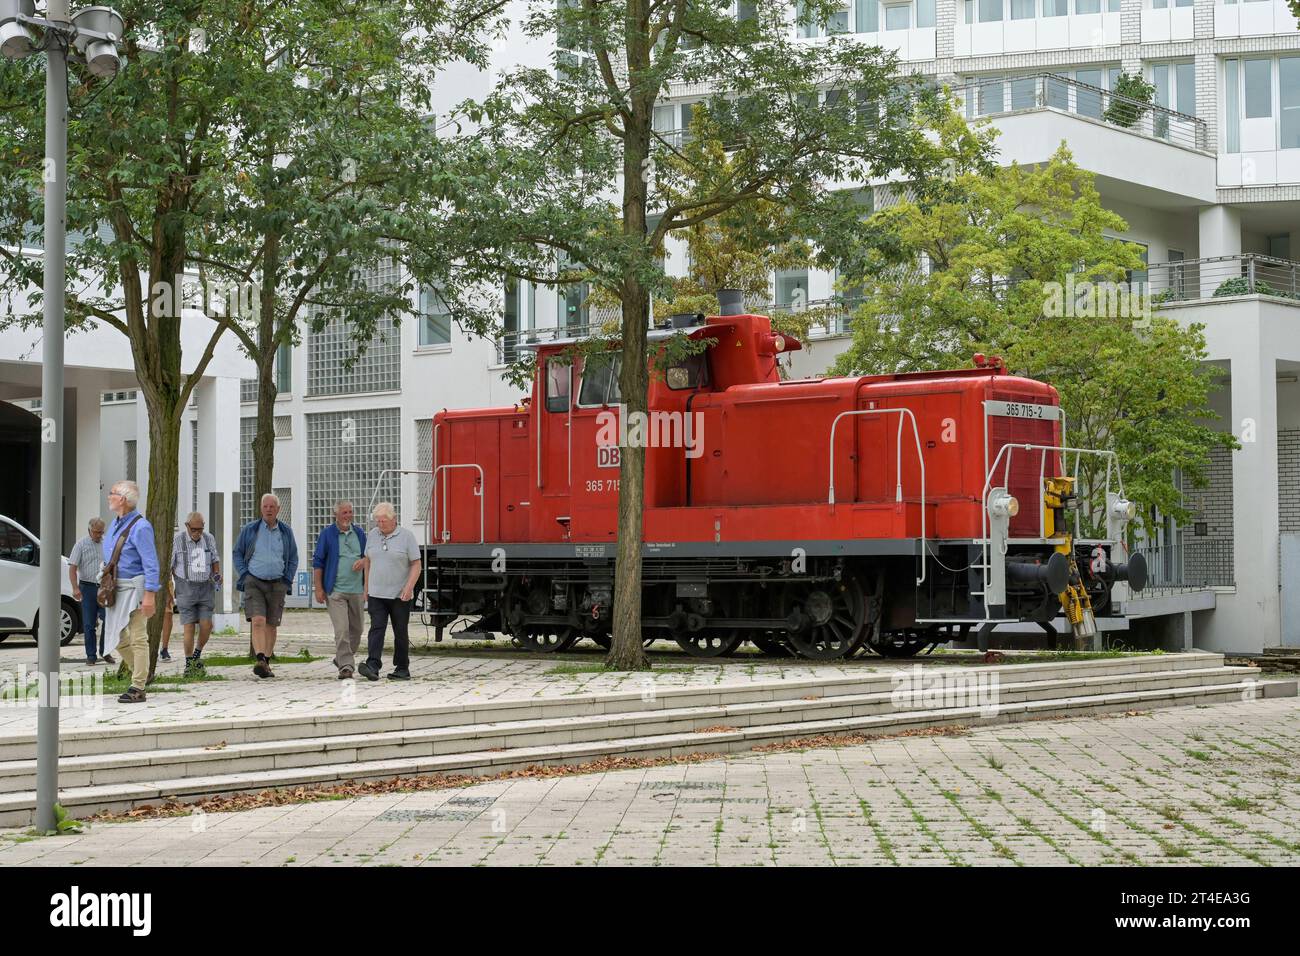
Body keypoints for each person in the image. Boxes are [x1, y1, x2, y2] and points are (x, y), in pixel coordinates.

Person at [100, 480, 159, 703]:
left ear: (123, 500)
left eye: (112, 493)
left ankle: (138, 686)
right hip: (116, 589)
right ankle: (142, 672)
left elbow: (151, 563)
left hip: (134, 588)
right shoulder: (114, 523)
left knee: (137, 638)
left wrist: (150, 595)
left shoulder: (141, 527)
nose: (109, 496)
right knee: (116, 638)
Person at [232, 493, 298, 679]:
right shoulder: (250, 530)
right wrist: (244, 574)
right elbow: (237, 552)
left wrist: (287, 579)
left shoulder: (286, 532)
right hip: (254, 581)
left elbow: (293, 557)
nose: (268, 509)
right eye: (265, 506)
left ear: (278, 509)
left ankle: (266, 662)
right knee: (258, 620)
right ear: (261, 509)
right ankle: (260, 658)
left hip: (278, 582)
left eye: (272, 507)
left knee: (271, 624)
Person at [357, 502, 421, 682]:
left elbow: (416, 564)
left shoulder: (406, 536)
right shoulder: (372, 535)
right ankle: (372, 665)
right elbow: (368, 561)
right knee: (376, 628)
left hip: (399, 593)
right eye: (377, 521)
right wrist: (366, 587)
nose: (380, 524)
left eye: (384, 521)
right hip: (377, 593)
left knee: (400, 630)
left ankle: (402, 668)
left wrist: (409, 588)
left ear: (394, 519)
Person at [312, 500, 367, 680]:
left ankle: (341, 658)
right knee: (342, 630)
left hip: (357, 590)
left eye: (350, 512)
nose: (348, 516)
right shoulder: (327, 534)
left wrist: (364, 562)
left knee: (357, 630)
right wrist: (318, 588)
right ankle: (346, 667)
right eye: (344, 512)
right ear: (336, 514)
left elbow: (369, 557)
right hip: (335, 591)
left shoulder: (359, 533)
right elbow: (318, 562)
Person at [169, 511, 221, 676]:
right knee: (189, 626)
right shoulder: (178, 540)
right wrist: (169, 587)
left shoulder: (209, 538)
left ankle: (197, 654)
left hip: (206, 587)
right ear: (187, 526)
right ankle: (189, 663)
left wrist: (217, 574)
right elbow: (170, 565)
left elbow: (214, 559)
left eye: (200, 529)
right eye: (194, 529)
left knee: (207, 625)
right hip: (186, 587)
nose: (197, 532)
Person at [68, 517, 109, 665]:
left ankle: (105, 651)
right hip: (87, 587)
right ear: (90, 530)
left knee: (108, 619)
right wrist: (75, 588)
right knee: (89, 623)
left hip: (104, 588)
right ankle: (91, 655)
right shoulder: (80, 545)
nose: (99, 535)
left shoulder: (106, 543)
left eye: (101, 532)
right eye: (97, 532)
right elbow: (72, 568)